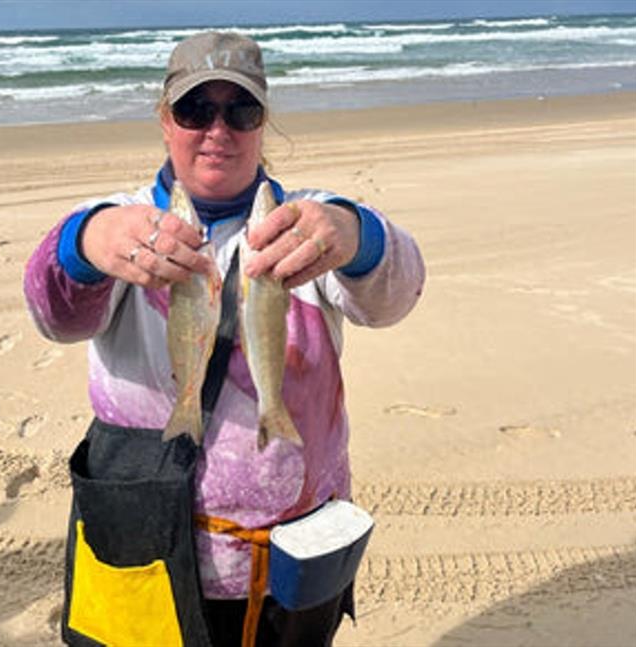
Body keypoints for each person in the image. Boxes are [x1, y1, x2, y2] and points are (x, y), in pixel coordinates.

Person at [24, 31, 424, 647]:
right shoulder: (126, 222)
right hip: (149, 545)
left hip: (290, 550)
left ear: (263, 123)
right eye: (194, 110)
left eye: (240, 111)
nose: (218, 129)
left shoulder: (302, 224)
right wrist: (85, 244)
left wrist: (355, 234)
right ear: (165, 122)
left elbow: (395, 295)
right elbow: (56, 314)